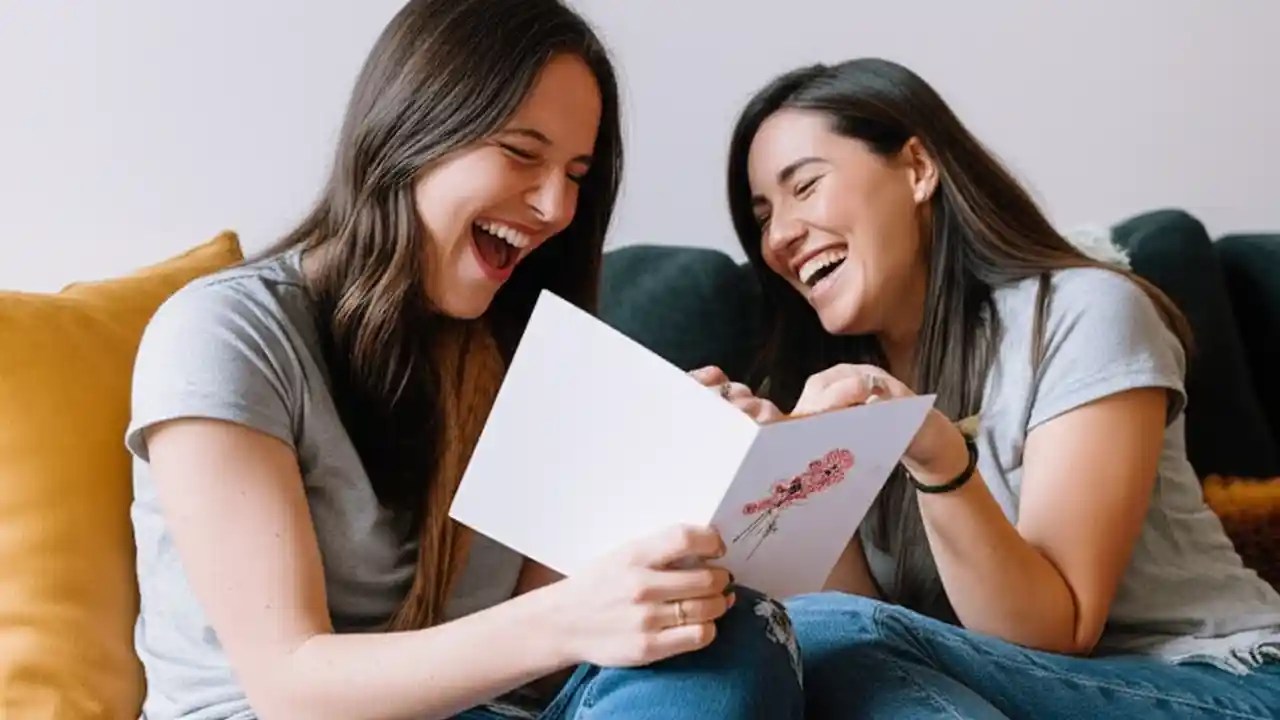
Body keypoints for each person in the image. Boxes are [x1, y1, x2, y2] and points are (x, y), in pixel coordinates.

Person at [125, 1, 804, 718]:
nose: (554, 206)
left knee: (741, 637)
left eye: (576, 172)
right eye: (521, 152)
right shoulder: (225, 332)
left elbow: (532, 674)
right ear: (414, 131)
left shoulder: (517, 356)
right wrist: (574, 616)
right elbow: (292, 687)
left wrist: (674, 475)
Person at [702, 56, 1280, 718]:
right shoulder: (827, 382)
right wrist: (787, 483)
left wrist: (937, 456)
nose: (778, 237)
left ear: (918, 169)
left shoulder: (1083, 313)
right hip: (1000, 691)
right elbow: (865, 621)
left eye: (803, 188)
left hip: (1215, 680)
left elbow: (1056, 633)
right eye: (762, 216)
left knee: (836, 641)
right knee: (825, 651)